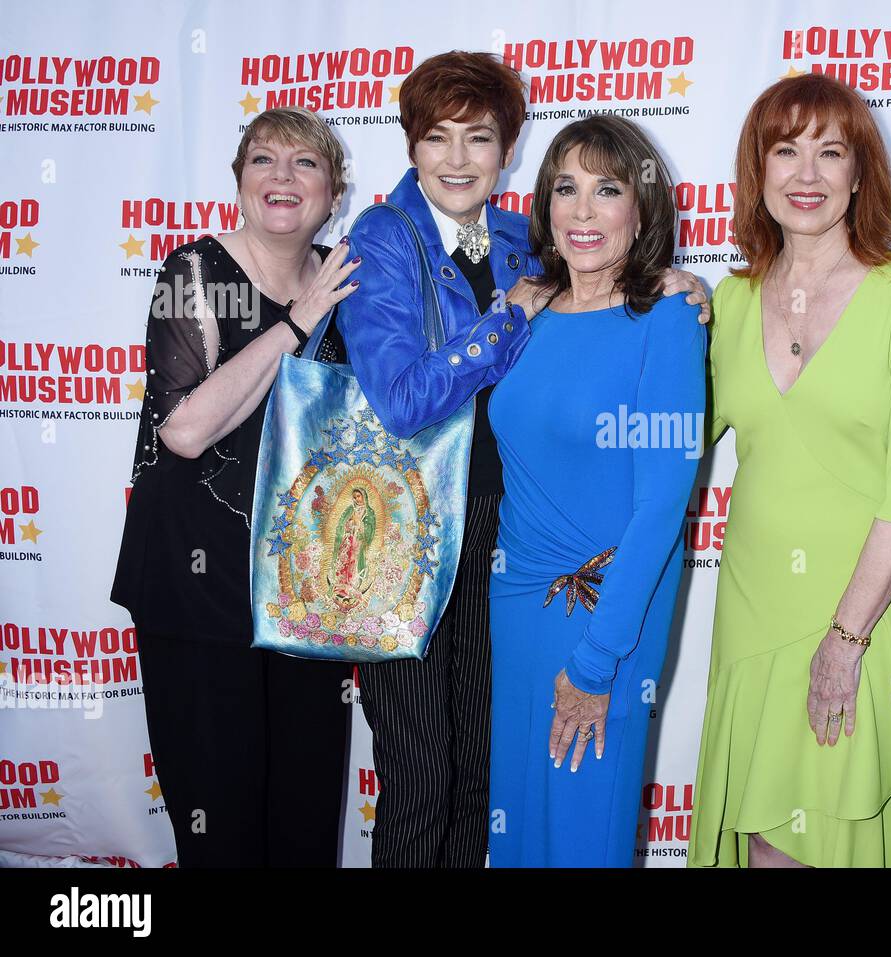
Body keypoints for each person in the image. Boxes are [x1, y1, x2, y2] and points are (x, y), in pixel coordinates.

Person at [336, 52, 709, 868]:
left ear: (508, 152)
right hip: (418, 554)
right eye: (439, 137)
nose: (461, 158)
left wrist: (681, 285)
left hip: (535, 580)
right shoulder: (386, 240)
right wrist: (504, 319)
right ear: (410, 147)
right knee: (423, 780)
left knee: (494, 796)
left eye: (481, 137)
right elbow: (402, 399)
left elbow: (658, 493)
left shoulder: (521, 248)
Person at [687, 73, 891, 868]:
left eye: (830, 152)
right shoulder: (727, 304)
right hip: (754, 615)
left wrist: (845, 640)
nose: (807, 174)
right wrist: (649, 299)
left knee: (831, 841)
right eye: (786, 151)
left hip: (864, 617)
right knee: (769, 845)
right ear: (757, 171)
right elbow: (670, 448)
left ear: (860, 173)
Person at [111, 106, 360, 867]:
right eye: (264, 160)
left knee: (306, 815)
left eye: (305, 163)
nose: (283, 176)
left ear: (333, 190)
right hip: (198, 581)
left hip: (305, 591)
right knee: (218, 819)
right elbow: (184, 430)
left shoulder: (348, 277)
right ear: (240, 182)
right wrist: (296, 322)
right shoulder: (193, 270)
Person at [487, 115, 706, 867]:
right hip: (512, 608)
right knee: (516, 828)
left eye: (607, 190)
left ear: (640, 210)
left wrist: (596, 661)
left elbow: (659, 511)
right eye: (566, 189)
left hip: (605, 618)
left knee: (582, 834)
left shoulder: (670, 320)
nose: (582, 211)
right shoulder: (523, 309)